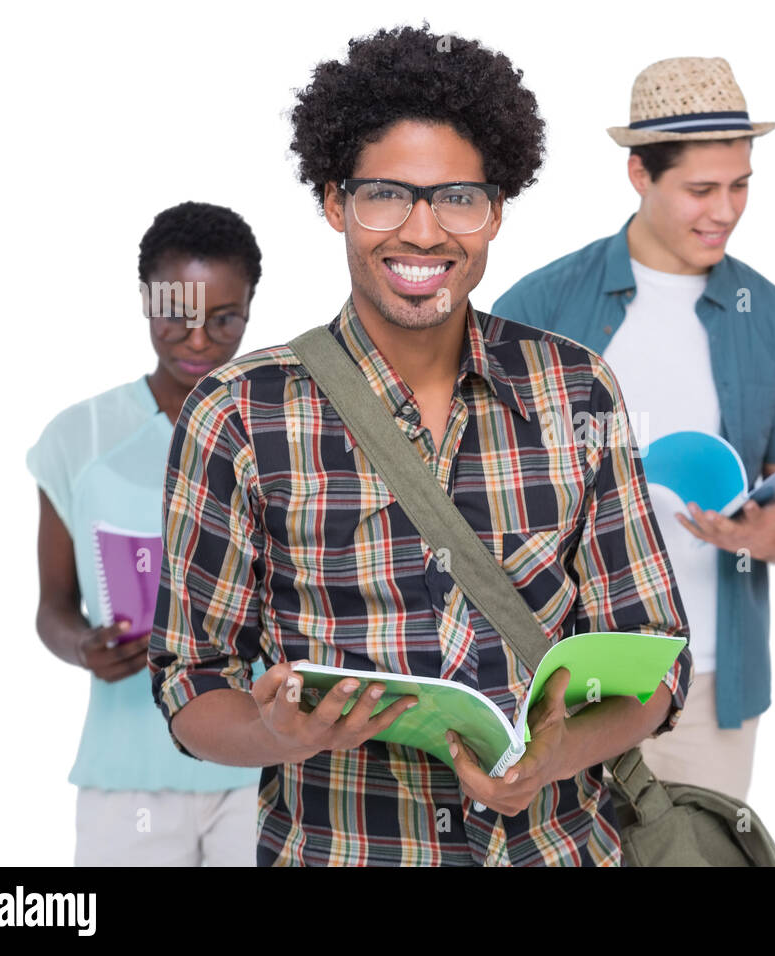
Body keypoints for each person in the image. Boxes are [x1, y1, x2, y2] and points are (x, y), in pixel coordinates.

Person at [148, 24, 691, 867]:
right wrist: (274, 731)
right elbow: (190, 679)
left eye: (458, 198)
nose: (424, 232)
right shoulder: (237, 413)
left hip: (553, 849)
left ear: (497, 210)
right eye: (385, 195)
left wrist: (553, 756)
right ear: (334, 202)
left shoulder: (577, 389)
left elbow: (653, 661)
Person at [492, 57, 775, 801]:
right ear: (639, 174)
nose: (725, 210)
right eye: (701, 189)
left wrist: (765, 538)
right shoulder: (540, 305)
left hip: (710, 684)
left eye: (740, 186)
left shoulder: (772, 320)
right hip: (561, 679)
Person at [28, 201, 263, 865]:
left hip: (259, 762)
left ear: (249, 306)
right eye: (176, 316)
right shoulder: (79, 437)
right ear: (144, 300)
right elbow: (52, 606)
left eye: (224, 318)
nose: (198, 341)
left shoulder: (279, 430)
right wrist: (82, 647)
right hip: (125, 769)